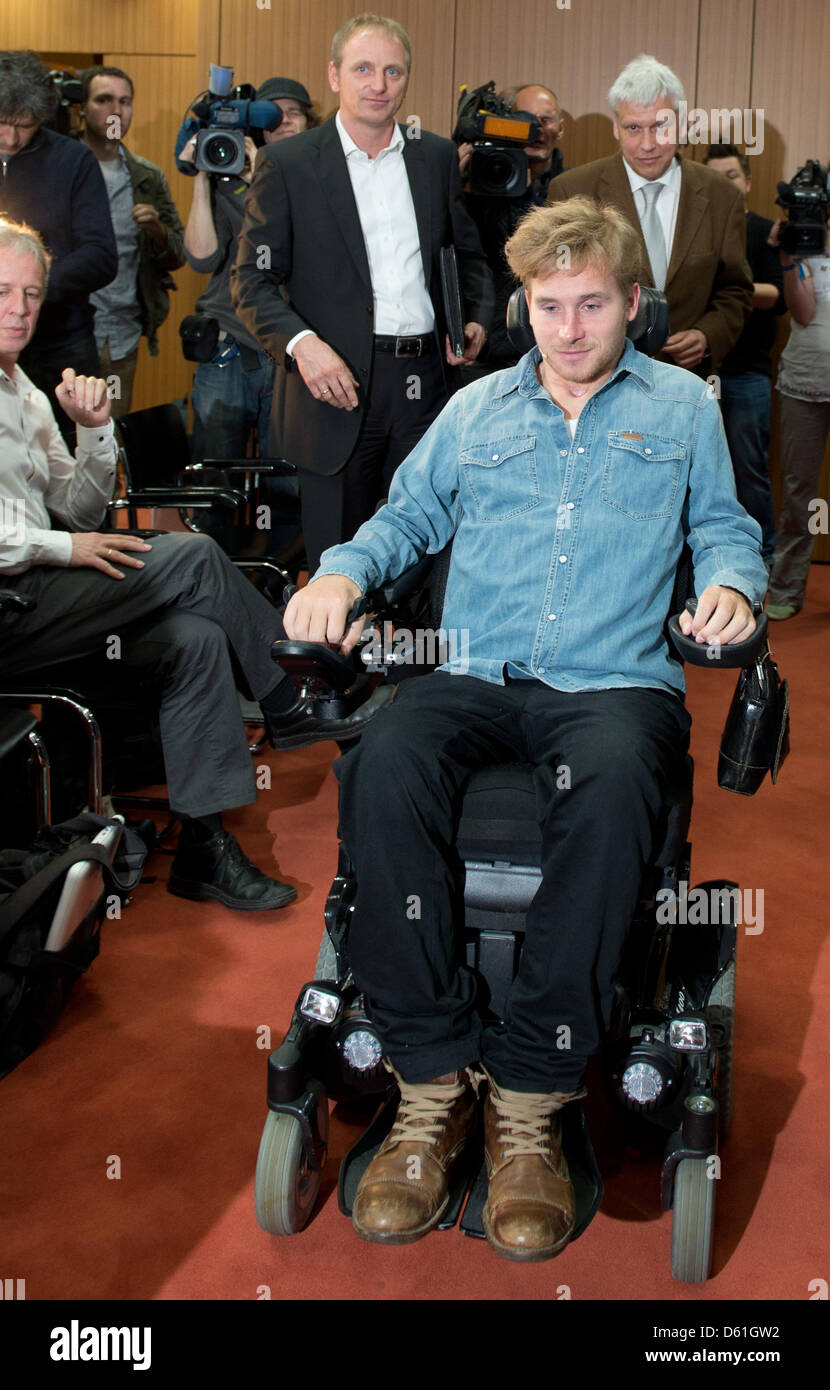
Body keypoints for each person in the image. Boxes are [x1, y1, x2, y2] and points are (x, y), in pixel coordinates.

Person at [283, 198, 767, 1261]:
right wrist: (341, 570)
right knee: (382, 761)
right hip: (470, 674)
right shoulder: (474, 411)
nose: (567, 326)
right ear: (525, 306)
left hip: (609, 682)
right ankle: (426, 1081)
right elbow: (403, 519)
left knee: (610, 790)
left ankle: (531, 1098)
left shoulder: (684, 407)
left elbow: (726, 529)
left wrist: (730, 587)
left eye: (590, 303)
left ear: (631, 304)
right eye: (547, 305)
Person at [0, 219, 383, 913]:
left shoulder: (23, 388)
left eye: (30, 293)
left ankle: (205, 848)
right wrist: (63, 548)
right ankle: (293, 696)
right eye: (4, 291)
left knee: (196, 641)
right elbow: (72, 537)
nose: (20, 309)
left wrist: (90, 428)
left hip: (42, 594)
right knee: (198, 556)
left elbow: (84, 510)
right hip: (11, 605)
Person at [231, 12, 494, 574]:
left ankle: (411, 663)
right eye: (363, 69)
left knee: (428, 547)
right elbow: (250, 279)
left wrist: (474, 318)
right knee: (339, 561)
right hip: (334, 387)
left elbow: (467, 255)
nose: (379, 84)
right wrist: (303, 346)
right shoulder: (289, 163)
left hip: (427, 384)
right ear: (334, 76)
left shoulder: (436, 156)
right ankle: (336, 664)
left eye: (393, 71)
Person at [548, 53, 752, 374]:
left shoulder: (721, 195)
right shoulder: (572, 191)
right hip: (598, 374)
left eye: (661, 127)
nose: (647, 144)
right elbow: (555, 291)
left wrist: (706, 335)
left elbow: (735, 289)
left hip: (687, 379)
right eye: (633, 128)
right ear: (615, 127)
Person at [181, 77, 318, 464]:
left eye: (294, 113)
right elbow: (202, 258)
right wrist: (202, 178)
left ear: (310, 121)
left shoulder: (321, 177)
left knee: (288, 475)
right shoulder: (227, 182)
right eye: (273, 114)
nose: (284, 122)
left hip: (293, 349)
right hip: (229, 347)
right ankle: (215, 530)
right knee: (215, 473)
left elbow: (305, 245)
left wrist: (263, 177)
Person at [0, 50, 117, 443]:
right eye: (2, 124)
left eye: (25, 126)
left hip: (60, 345)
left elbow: (101, 257)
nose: (11, 138)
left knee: (63, 457)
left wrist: (30, 289)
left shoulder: (73, 160)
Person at [78, 65, 186, 419]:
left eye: (125, 102)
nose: (116, 111)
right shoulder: (62, 165)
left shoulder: (146, 176)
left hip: (122, 335)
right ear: (81, 107)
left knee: (111, 429)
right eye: (104, 100)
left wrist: (156, 231)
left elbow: (178, 254)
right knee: (59, 437)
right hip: (68, 333)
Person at [702, 143, 786, 566]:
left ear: (748, 182)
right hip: (692, 371)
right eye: (714, 177)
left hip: (746, 372)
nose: (723, 185)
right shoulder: (694, 229)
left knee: (747, 472)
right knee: (697, 472)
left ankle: (762, 557)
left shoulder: (764, 230)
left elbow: (777, 294)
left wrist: (729, 292)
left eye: (731, 176)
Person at [460, 82, 565, 372]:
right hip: (486, 350)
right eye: (525, 121)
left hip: (556, 351)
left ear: (560, 128)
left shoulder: (574, 189)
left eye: (545, 120)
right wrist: (453, 186)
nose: (537, 130)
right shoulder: (474, 189)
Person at [764, 175, 830, 619]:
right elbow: (803, 313)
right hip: (806, 383)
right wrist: (790, 257)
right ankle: (786, 588)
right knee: (799, 493)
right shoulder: (808, 244)